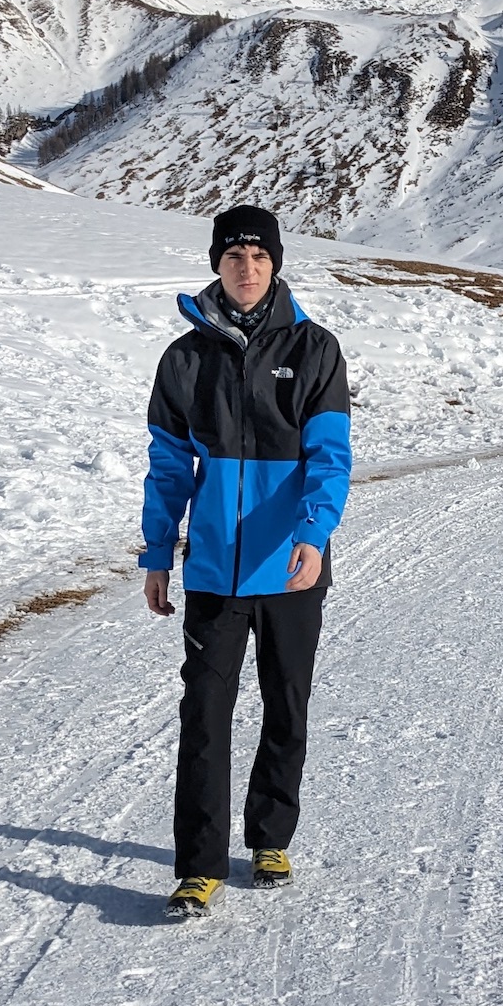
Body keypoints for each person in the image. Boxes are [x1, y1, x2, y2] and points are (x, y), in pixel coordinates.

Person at [139, 205, 352, 918]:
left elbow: (330, 458)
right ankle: (197, 866)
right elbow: (168, 466)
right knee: (204, 712)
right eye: (235, 255)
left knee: (286, 704)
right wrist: (157, 550)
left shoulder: (316, 349)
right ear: (217, 264)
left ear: (276, 262)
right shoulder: (185, 358)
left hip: (291, 565)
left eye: (260, 255)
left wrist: (314, 533)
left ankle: (269, 835)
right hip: (213, 571)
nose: (248, 267)